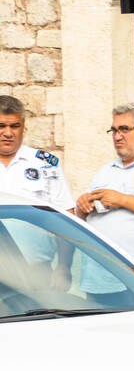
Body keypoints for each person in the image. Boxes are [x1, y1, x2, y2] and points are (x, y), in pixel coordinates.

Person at [73, 103, 134, 307]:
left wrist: (121, 199)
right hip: (97, 280)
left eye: (124, 129)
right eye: (114, 130)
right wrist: (81, 206)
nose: (117, 136)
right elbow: (80, 218)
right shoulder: (105, 171)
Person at [0, 95, 75, 287]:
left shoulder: (44, 164)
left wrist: (64, 267)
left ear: (24, 126)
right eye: (1, 126)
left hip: (37, 273)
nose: (8, 133)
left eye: (14, 126)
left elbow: (65, 217)